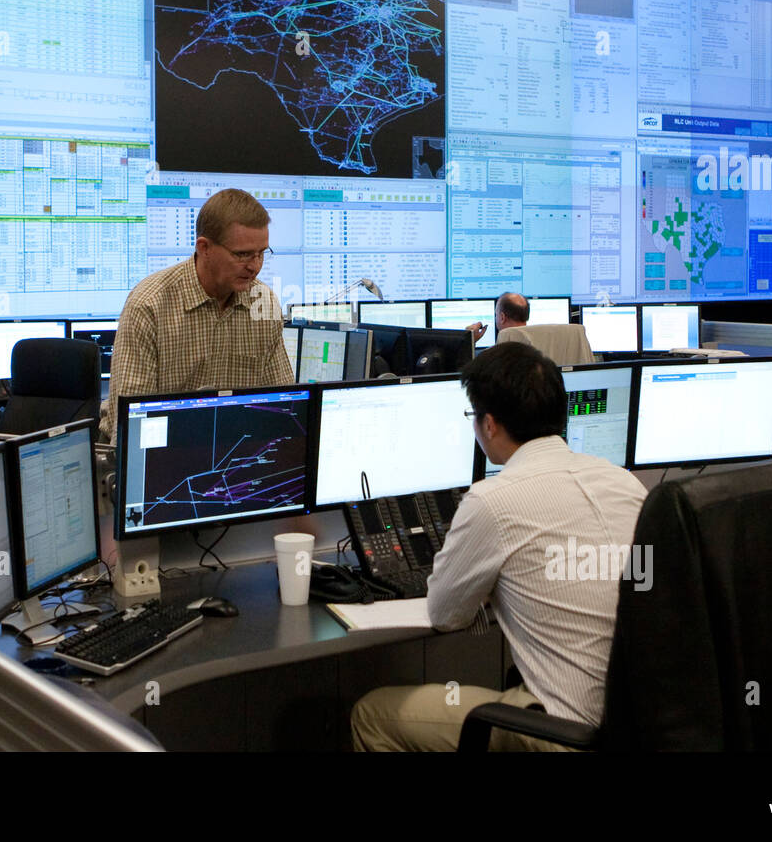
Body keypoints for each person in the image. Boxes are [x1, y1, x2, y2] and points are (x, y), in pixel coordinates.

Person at [350, 342, 647, 751]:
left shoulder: (493, 500)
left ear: (489, 425)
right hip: (641, 728)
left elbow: (445, 613)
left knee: (372, 714)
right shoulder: (625, 483)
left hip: (566, 734)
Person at [100, 189, 293, 442]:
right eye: (242, 254)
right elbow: (131, 423)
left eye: (261, 253)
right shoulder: (149, 305)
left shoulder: (263, 301)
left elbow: (283, 402)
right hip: (164, 448)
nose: (254, 265)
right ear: (204, 248)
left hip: (235, 447)